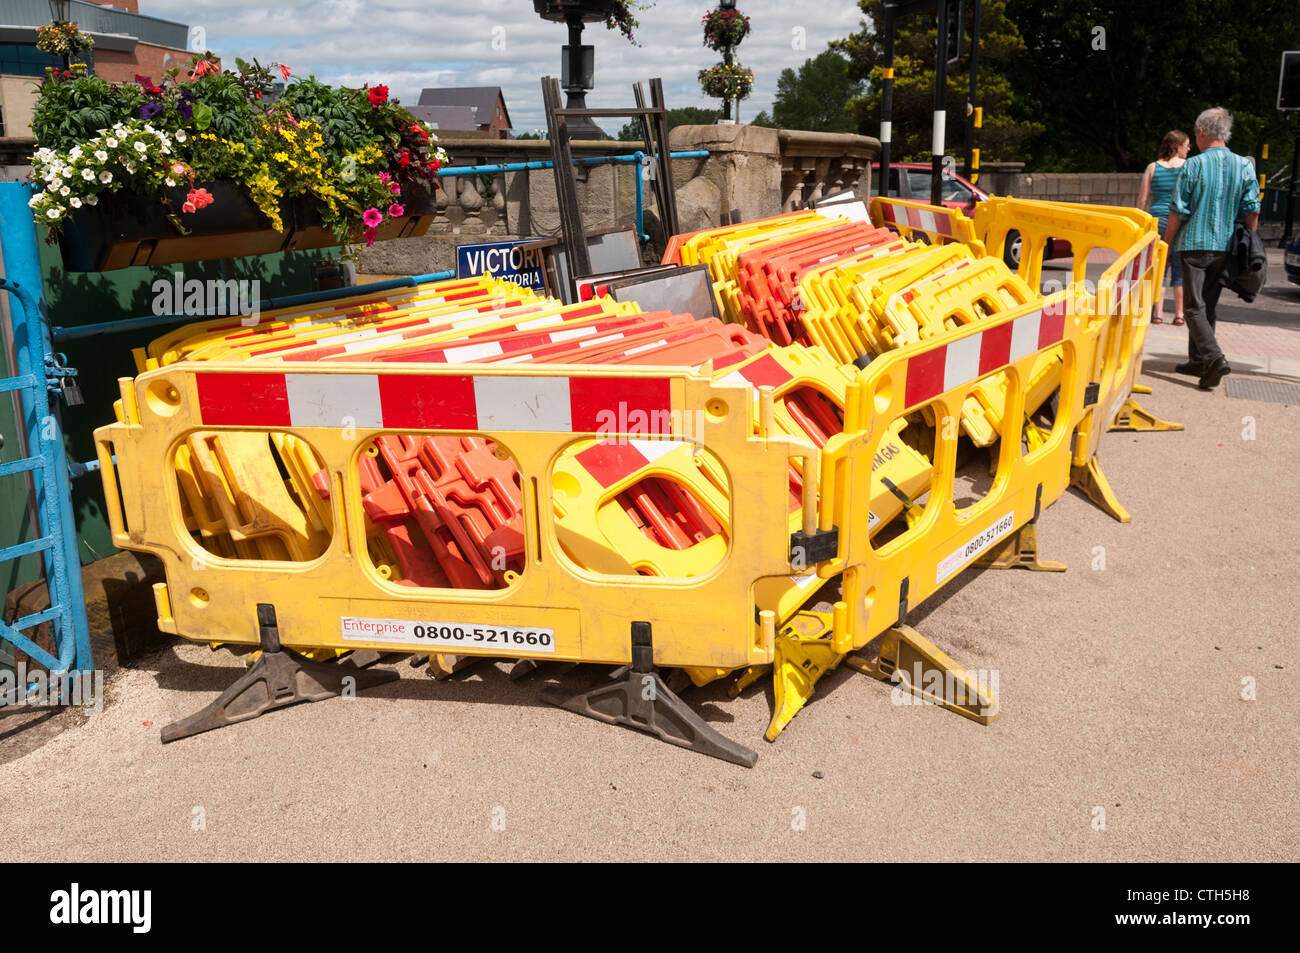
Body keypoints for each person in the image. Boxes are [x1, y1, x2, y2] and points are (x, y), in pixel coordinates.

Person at [1164, 107, 1260, 390]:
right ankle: (1198, 361)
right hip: (1225, 246)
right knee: (1208, 305)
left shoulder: (1193, 165)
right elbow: (1252, 209)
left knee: (1193, 308)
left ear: (1203, 132)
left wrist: (1166, 244)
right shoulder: (1244, 165)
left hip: (1193, 246)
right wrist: (1250, 241)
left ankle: (1214, 358)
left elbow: (1178, 210)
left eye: (1196, 134)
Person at [1136, 130, 1189, 324]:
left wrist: (1139, 223)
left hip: (1157, 221)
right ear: (1177, 146)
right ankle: (1179, 314)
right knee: (1179, 269)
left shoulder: (1152, 167)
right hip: (1180, 221)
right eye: (1186, 145)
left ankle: (1157, 313)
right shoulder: (1187, 167)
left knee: (1159, 268)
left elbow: (1142, 199)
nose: (1189, 149)